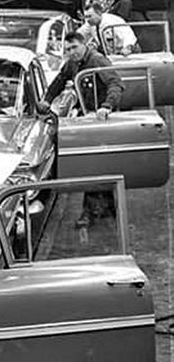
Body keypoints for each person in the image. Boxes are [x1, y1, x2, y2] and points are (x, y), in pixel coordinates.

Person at [38, 31, 124, 227]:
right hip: (88, 117)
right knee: (97, 165)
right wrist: (47, 100)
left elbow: (116, 83)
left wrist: (107, 106)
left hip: (103, 118)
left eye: (74, 47)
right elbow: (60, 80)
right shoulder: (73, 64)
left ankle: (91, 211)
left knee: (96, 164)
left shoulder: (96, 60)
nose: (71, 52)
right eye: (67, 49)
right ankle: (107, 208)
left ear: (83, 45)